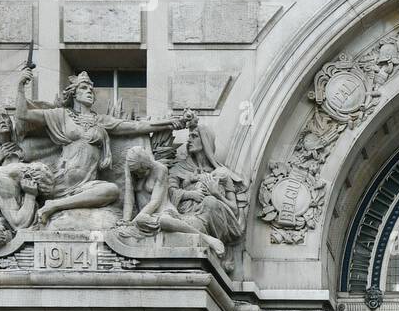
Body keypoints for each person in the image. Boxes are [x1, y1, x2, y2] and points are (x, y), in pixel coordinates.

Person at [13, 68, 190, 226]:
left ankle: (53, 206)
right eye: (84, 88)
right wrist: (21, 86)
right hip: (62, 179)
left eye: (91, 89)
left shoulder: (101, 121)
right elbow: (22, 114)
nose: (89, 91)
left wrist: (172, 123)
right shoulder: (60, 115)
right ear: (74, 94)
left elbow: (135, 126)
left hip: (87, 185)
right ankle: (53, 202)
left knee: (111, 190)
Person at [120, 146, 226, 256]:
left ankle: (206, 238)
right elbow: (129, 196)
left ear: (147, 165)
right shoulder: (133, 170)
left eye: (140, 171)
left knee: (163, 220)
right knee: (131, 226)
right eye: (135, 172)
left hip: (163, 213)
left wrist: (135, 221)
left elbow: (155, 202)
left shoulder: (160, 169)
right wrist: (126, 220)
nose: (138, 175)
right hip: (145, 218)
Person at [168, 125, 247, 247]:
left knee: (210, 201)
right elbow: (169, 194)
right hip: (183, 214)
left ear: (206, 140)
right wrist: (191, 194)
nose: (189, 140)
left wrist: (216, 194)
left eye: (194, 136)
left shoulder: (222, 173)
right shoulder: (178, 169)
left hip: (209, 218)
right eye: (189, 136)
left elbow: (234, 209)